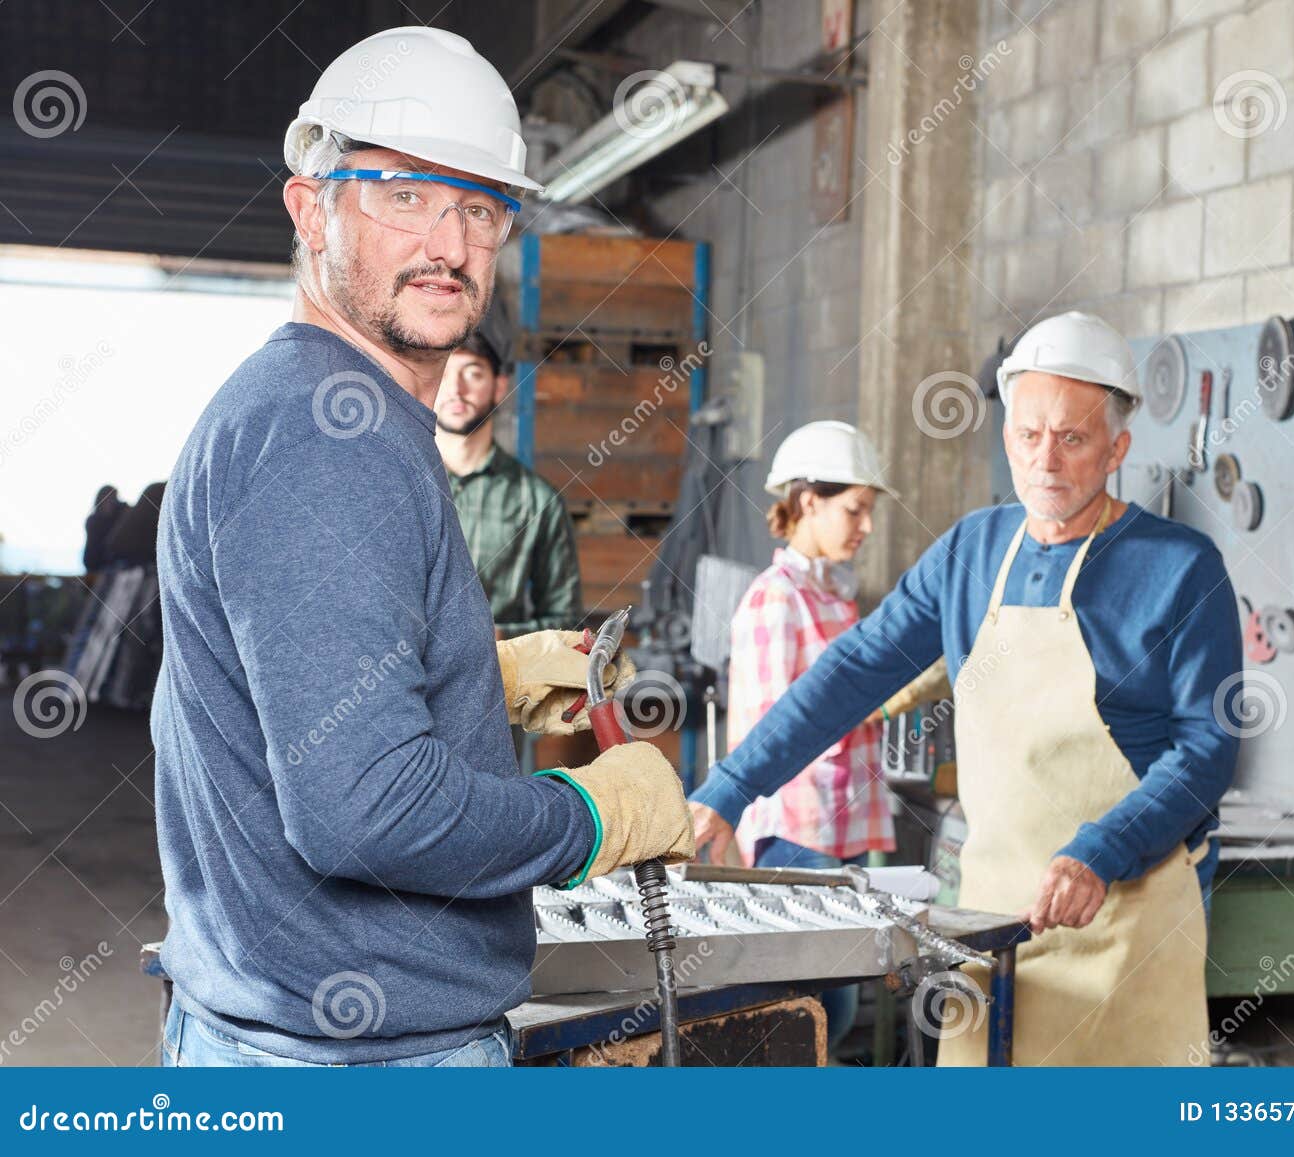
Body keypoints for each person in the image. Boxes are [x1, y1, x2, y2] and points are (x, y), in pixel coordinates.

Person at [151, 26, 692, 1069]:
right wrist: (589, 814)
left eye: (479, 206)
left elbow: (283, 705)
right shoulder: (326, 437)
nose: (449, 241)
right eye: (402, 195)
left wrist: (479, 681)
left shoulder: (318, 409)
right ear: (311, 210)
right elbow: (363, 815)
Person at [690, 311, 1242, 1066]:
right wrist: (727, 789)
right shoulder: (971, 552)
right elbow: (854, 671)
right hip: (991, 921)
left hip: (1127, 920)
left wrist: (1101, 850)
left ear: (1118, 447)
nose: (1045, 460)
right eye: (1026, 434)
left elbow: (1207, 748)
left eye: (1073, 438)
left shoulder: (1181, 567)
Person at [728, 421, 899, 1054]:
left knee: (838, 1011)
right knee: (807, 1020)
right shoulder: (777, 599)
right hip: (796, 834)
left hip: (840, 828)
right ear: (808, 502)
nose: (867, 526)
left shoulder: (835, 596)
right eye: (855, 509)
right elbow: (781, 729)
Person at [435, 330, 582, 639]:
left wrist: (496, 636)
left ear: (498, 387)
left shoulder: (537, 500)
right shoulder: (396, 485)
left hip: (495, 678)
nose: (455, 389)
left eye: (472, 374)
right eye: (443, 373)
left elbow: (566, 625)